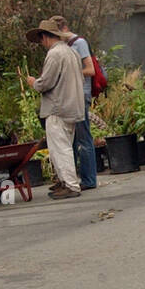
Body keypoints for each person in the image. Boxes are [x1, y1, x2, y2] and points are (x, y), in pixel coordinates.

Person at [25, 18, 84, 199]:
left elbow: (46, 83)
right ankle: (65, 181)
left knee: (60, 148)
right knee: (65, 145)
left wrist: (34, 83)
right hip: (73, 105)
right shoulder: (71, 52)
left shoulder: (55, 54)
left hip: (57, 107)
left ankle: (71, 185)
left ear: (45, 36)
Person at [50, 15, 98, 191]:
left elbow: (90, 70)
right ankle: (71, 178)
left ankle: (89, 179)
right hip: (68, 96)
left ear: (63, 30)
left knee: (83, 137)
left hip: (80, 94)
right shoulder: (64, 47)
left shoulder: (79, 43)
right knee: (70, 139)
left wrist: (69, 72)